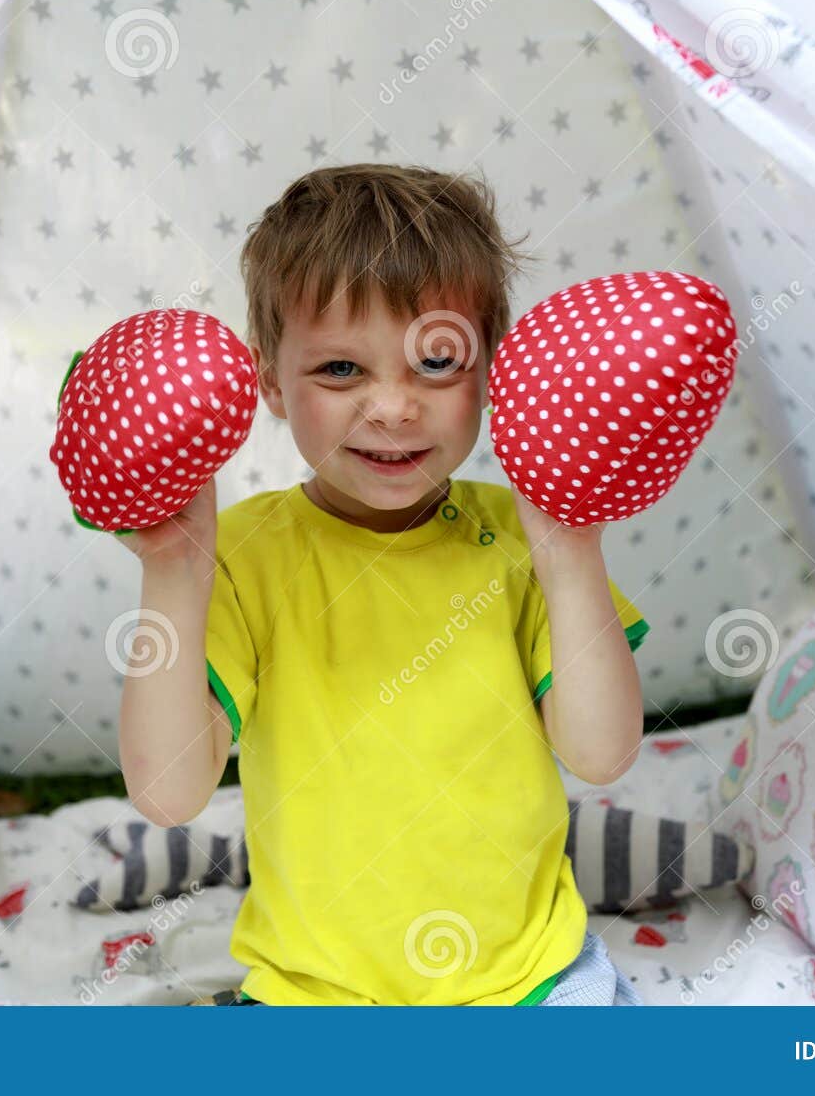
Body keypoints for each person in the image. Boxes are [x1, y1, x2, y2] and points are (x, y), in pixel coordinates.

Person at [116, 163, 649, 1006]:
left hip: (531, 980)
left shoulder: (520, 536)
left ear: (494, 372)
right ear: (271, 384)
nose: (394, 407)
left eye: (436, 362)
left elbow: (602, 752)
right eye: (340, 371)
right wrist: (172, 574)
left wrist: (571, 546)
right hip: (314, 994)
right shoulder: (245, 553)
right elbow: (168, 791)